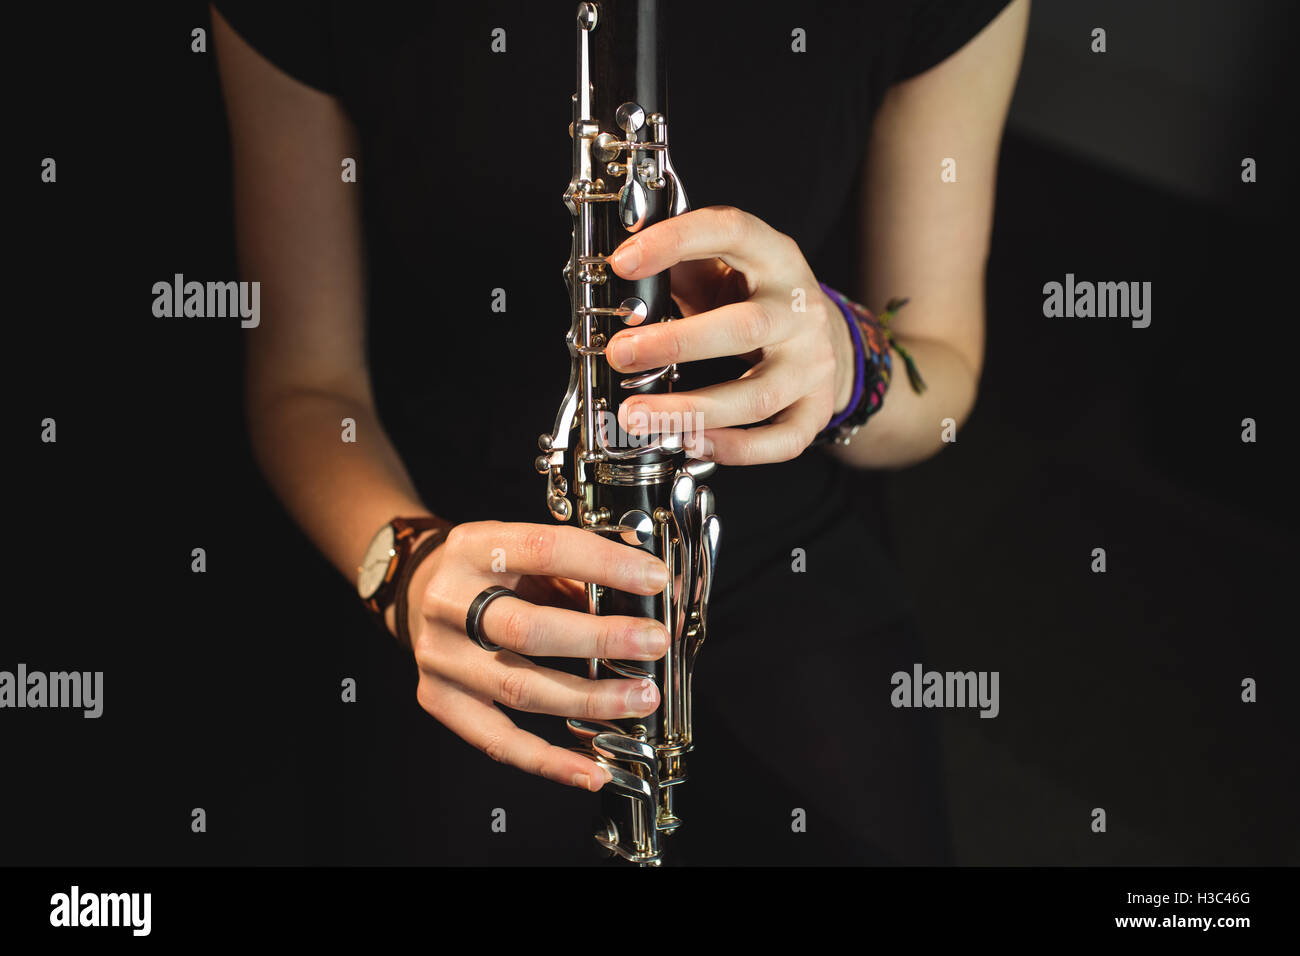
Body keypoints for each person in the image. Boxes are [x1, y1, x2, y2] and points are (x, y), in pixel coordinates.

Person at [212, 0, 1029, 864]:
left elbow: (942, 370)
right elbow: (303, 388)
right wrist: (407, 570)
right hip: (459, 553)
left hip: (782, 539)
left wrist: (841, 360)